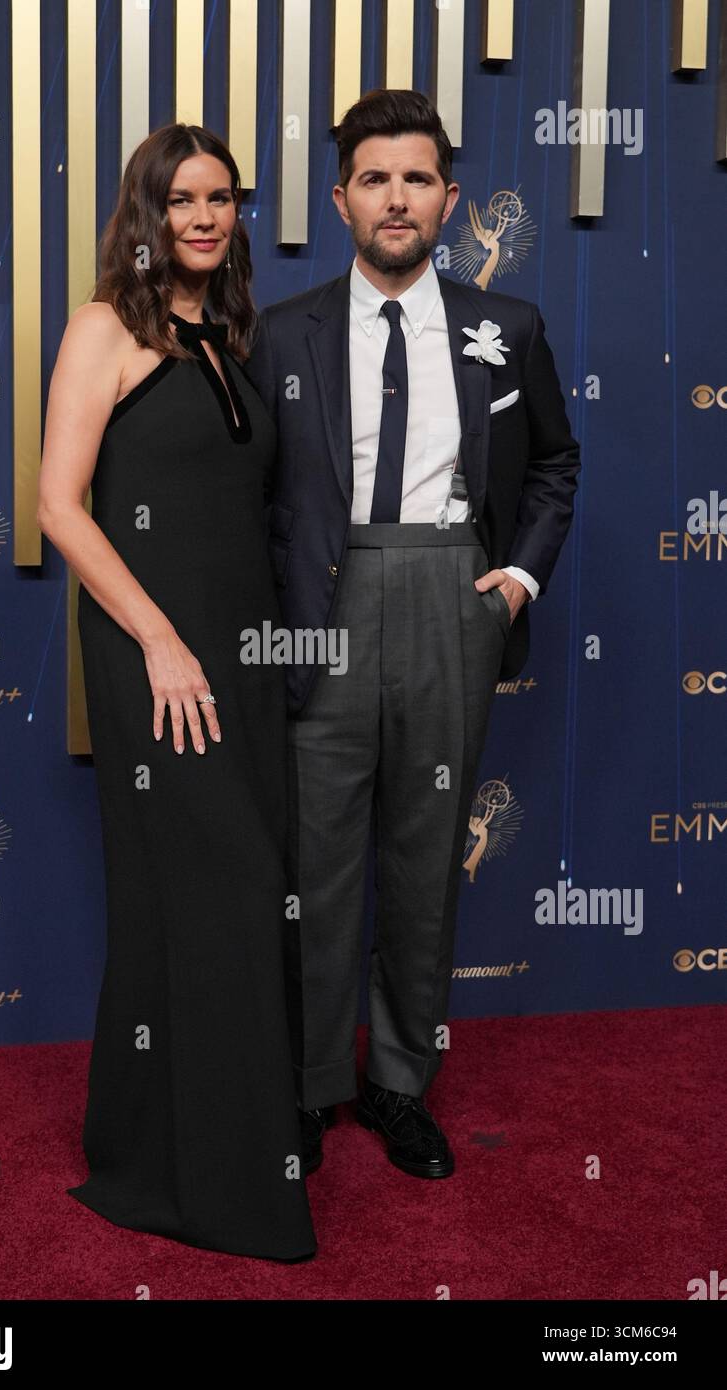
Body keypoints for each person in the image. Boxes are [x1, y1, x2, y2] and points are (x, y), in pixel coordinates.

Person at [245, 89, 581, 1178]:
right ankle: (303, 1089)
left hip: (451, 596)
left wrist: (514, 583)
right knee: (315, 862)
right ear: (339, 197)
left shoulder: (506, 327)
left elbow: (550, 465)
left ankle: (396, 1083)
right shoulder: (281, 330)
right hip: (317, 611)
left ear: (449, 199)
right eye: (375, 178)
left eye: (419, 178)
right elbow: (247, 493)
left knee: (424, 859)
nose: (398, 198)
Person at [37, 124, 316, 1261]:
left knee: (207, 903)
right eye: (181, 199)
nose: (204, 217)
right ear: (144, 214)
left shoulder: (229, 337)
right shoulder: (103, 329)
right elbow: (59, 504)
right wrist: (158, 640)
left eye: (221, 199)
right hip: (159, 659)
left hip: (237, 658)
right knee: (230, 893)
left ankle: (154, 1145)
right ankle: (213, 1183)